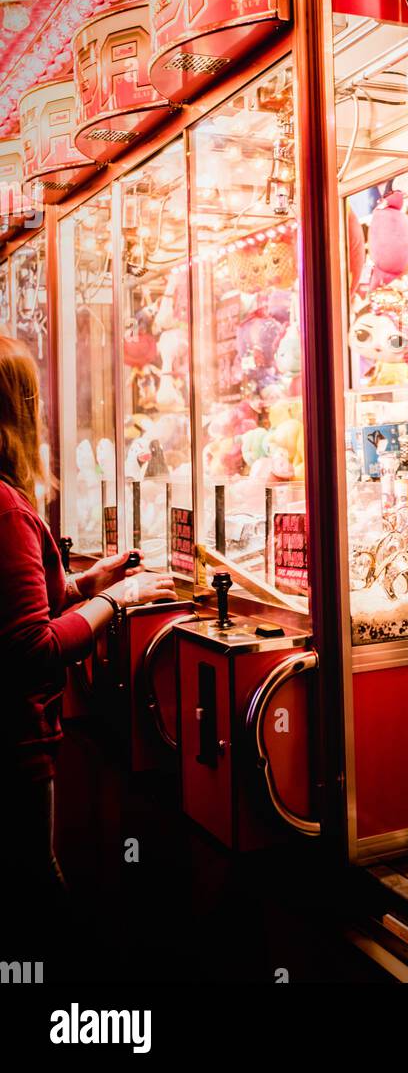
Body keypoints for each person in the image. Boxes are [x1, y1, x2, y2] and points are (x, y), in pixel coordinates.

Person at [0, 335, 176, 943]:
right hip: (15, 747)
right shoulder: (4, 509)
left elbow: (20, 605)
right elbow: (33, 647)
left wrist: (84, 583)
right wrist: (114, 600)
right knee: (36, 896)